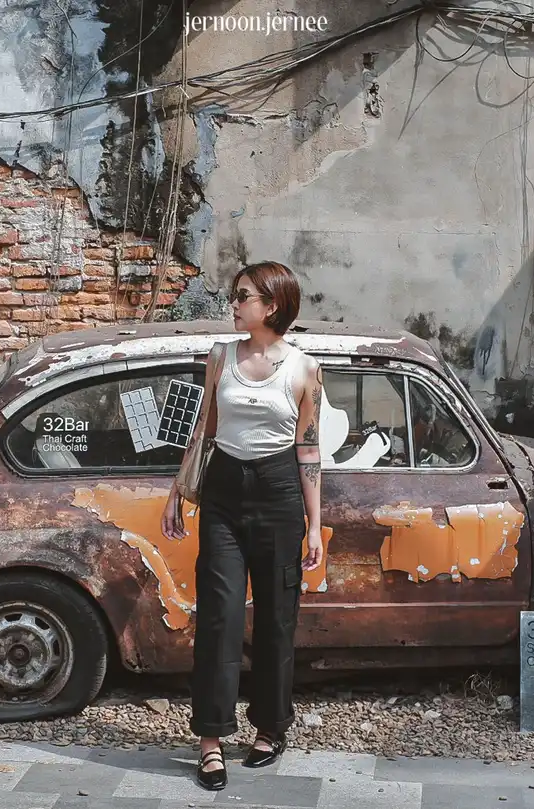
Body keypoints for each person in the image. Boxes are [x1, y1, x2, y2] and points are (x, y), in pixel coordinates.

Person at [161, 260, 324, 791]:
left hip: (279, 495)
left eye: (243, 296)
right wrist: (176, 494)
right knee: (219, 616)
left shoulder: (304, 369)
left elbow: (309, 449)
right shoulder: (219, 357)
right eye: (235, 296)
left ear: (271, 305)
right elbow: (203, 431)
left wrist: (315, 524)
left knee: (278, 615)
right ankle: (210, 740)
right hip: (225, 493)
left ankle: (271, 728)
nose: (233, 304)